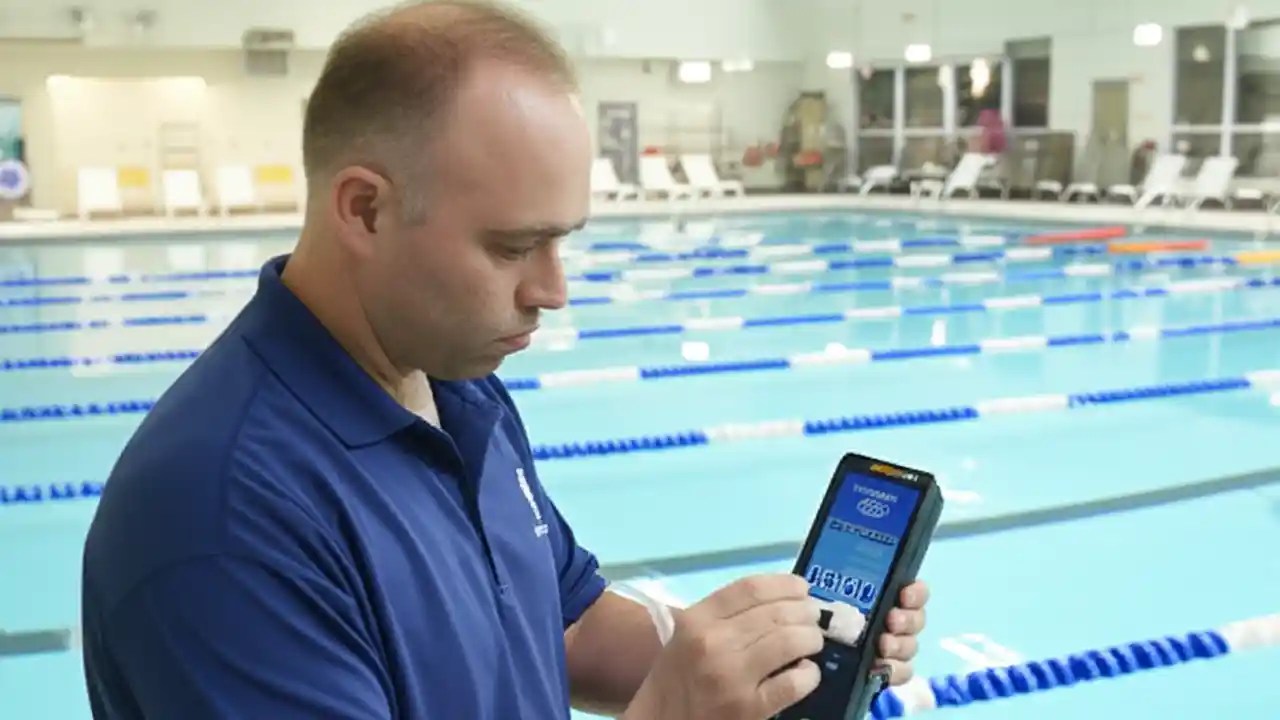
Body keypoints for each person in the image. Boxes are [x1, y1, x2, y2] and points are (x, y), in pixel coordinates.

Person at [79, 2, 930, 718]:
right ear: (366, 209)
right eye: (513, 246)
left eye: (561, 242)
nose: (552, 291)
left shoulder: (460, 388)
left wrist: (752, 654)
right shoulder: (220, 519)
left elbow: (564, 627)